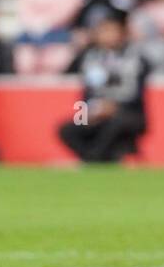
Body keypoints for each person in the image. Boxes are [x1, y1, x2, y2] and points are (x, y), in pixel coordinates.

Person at [57, 9, 150, 163]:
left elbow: (135, 94)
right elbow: (85, 91)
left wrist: (113, 107)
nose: (106, 35)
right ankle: (94, 157)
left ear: (122, 32)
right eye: (102, 30)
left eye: (110, 30)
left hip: (127, 112)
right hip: (95, 111)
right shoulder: (89, 57)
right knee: (68, 128)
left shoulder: (135, 57)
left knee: (115, 123)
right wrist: (90, 110)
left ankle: (94, 159)